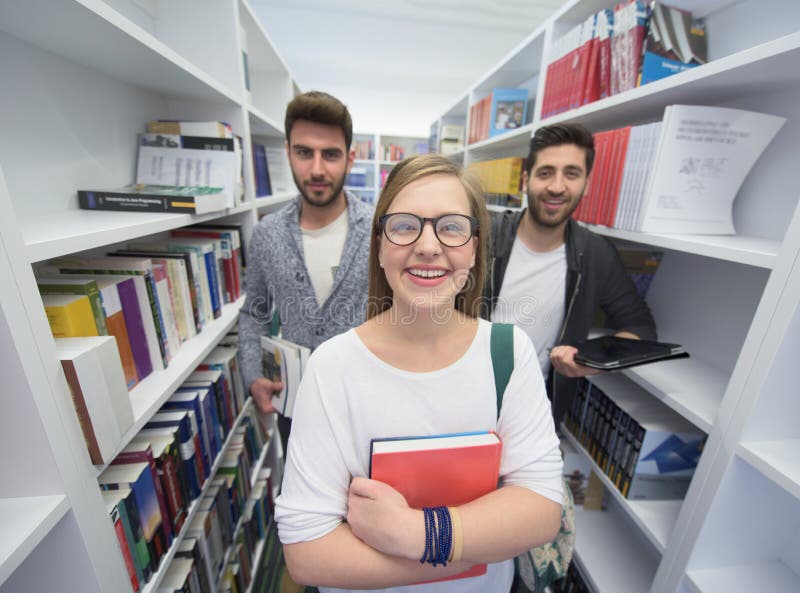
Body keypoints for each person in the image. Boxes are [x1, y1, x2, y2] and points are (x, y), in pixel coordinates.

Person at [275, 154, 563, 592]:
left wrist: (416, 534)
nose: (428, 246)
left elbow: (541, 507)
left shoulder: (508, 353)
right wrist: (462, 556)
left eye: (451, 227)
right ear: (379, 245)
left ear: (474, 247)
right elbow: (308, 553)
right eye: (406, 225)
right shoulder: (332, 367)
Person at [484, 122, 656, 426]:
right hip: (463, 392)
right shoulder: (486, 236)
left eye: (571, 174)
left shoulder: (596, 253)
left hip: (535, 409)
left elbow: (640, 327)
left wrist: (592, 359)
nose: (557, 187)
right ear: (526, 180)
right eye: (546, 172)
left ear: (586, 185)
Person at [238, 91, 373, 450]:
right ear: (288, 153)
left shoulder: (381, 229)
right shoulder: (267, 233)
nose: (316, 169)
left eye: (330, 154)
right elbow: (255, 311)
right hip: (295, 404)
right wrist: (253, 375)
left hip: (369, 403)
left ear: (350, 158)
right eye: (304, 153)